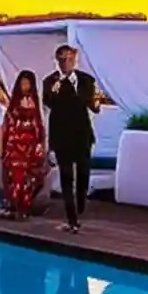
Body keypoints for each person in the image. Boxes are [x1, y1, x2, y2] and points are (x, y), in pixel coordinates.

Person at [43, 45, 101, 234]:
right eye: (61, 59)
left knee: (83, 175)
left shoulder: (86, 80)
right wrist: (56, 88)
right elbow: (48, 102)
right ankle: (72, 219)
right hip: (62, 137)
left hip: (82, 135)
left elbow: (94, 106)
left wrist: (97, 102)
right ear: (57, 60)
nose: (65, 62)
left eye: (68, 59)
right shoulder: (50, 82)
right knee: (67, 178)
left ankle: (81, 203)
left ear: (75, 59)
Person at [0, 70, 46, 221]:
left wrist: (40, 144)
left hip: (29, 148)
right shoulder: (13, 104)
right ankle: (12, 207)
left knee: (28, 179)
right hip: (14, 147)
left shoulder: (35, 104)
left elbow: (38, 126)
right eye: (22, 83)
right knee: (12, 178)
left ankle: (23, 208)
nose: (25, 86)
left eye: (27, 83)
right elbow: (7, 125)